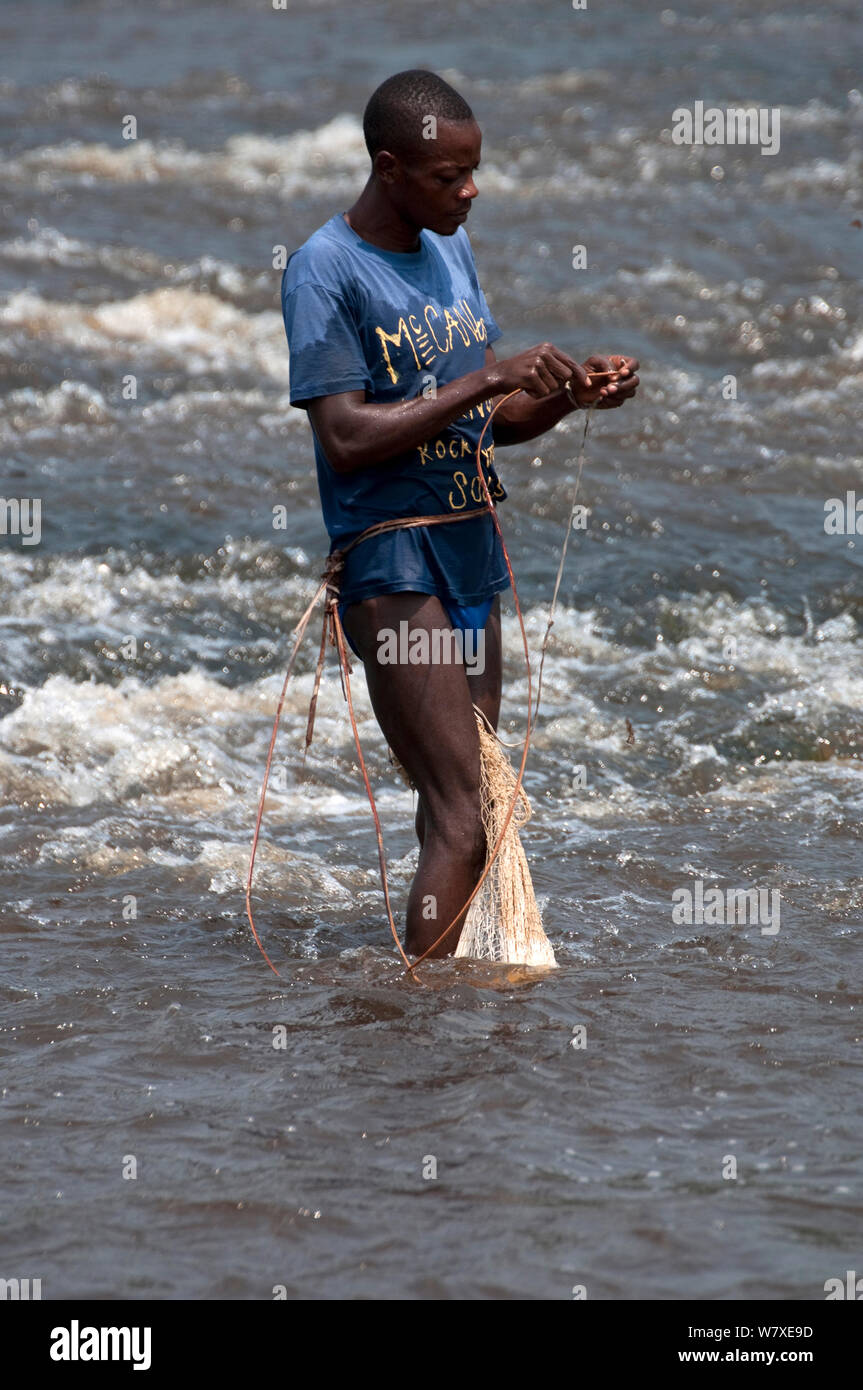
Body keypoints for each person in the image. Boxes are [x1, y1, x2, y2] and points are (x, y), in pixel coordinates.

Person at [281, 69, 639, 959]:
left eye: (474, 172)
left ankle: (434, 1016)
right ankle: (421, 1011)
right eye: (447, 178)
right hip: (392, 563)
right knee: (465, 810)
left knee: (471, 797)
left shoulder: (449, 248)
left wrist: (564, 400)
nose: (468, 192)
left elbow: (491, 422)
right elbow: (346, 437)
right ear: (389, 167)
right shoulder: (325, 270)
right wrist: (483, 376)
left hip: (470, 549)